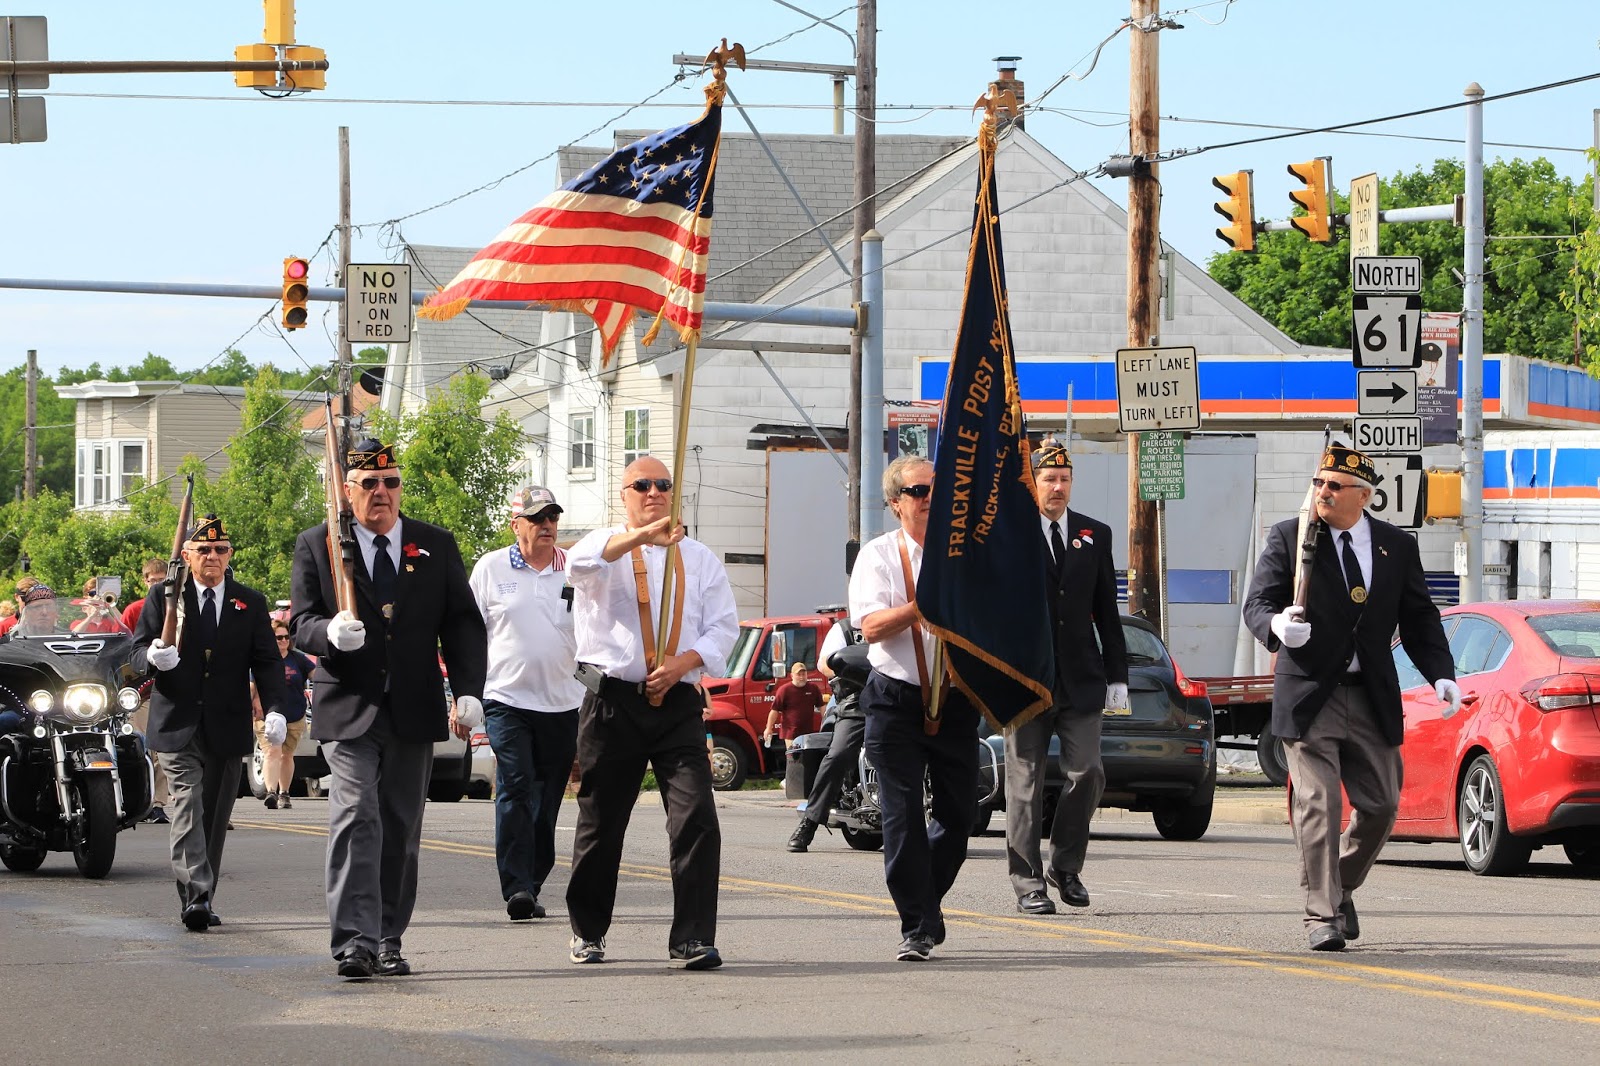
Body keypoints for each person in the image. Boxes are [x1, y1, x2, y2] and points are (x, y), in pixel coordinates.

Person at [1243, 442, 1459, 952]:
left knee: (1382, 806)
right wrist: (1275, 625)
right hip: (1310, 692)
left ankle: (1339, 886)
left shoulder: (1394, 546)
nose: (1322, 491)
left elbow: (1420, 617)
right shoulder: (1292, 537)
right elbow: (1257, 603)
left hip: (1370, 695)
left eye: (1334, 485)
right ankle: (1321, 914)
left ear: (1364, 496)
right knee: (1319, 804)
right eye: (1319, 482)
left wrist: (1441, 674)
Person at [291, 437, 487, 980]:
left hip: (414, 705)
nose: (382, 492)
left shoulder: (435, 544)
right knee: (358, 816)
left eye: (391, 482)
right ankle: (355, 939)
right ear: (347, 490)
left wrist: (470, 687)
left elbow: (463, 622)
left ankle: (388, 936)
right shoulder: (319, 543)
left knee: (401, 826)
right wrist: (329, 632)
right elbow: (301, 622)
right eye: (370, 484)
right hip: (350, 705)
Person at [564, 456, 738, 971]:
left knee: (696, 818)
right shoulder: (607, 546)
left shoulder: (700, 558)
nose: (654, 492)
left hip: (676, 704)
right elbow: (578, 565)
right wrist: (642, 539)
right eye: (642, 485)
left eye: (663, 485)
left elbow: (722, 628)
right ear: (625, 494)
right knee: (602, 822)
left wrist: (682, 662)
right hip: (613, 702)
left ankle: (692, 938)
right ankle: (588, 930)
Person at [131, 514, 290, 932]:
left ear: (230, 554)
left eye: (221, 550)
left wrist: (275, 707)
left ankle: (201, 894)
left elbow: (268, 662)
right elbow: (132, 656)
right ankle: (197, 893)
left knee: (214, 814)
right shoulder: (166, 597)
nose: (213, 557)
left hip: (227, 721)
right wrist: (151, 657)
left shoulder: (248, 601)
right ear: (186, 555)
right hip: (177, 721)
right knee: (186, 802)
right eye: (203, 550)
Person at [850, 455, 981, 962]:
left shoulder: (967, 554)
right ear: (895, 503)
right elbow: (873, 626)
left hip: (955, 701)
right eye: (919, 492)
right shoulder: (879, 556)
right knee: (901, 814)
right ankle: (917, 924)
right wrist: (924, 605)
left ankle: (927, 901)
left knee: (959, 814)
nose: (930, 499)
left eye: (936, 489)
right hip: (895, 700)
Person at [1006, 443, 1127, 915]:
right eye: (1049, 478)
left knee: (1089, 773)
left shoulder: (1095, 534)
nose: (1057, 487)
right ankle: (1027, 882)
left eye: (1065, 479)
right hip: (1026, 680)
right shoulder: (1011, 534)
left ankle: (1065, 865)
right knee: (1025, 781)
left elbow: (1107, 612)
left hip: (1081, 678)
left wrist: (1118, 673)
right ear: (1033, 482)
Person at [467, 485, 584, 923]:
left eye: (552, 518)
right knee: (515, 784)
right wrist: (467, 695)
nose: (547, 526)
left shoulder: (574, 570)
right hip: (506, 699)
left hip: (563, 703)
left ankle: (531, 884)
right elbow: (469, 634)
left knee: (546, 797)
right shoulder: (491, 568)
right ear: (516, 525)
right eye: (537, 519)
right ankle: (515, 885)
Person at [786, 617, 867, 853]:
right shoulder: (844, 629)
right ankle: (809, 822)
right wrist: (857, 671)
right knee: (839, 754)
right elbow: (825, 663)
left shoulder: (899, 624)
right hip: (856, 704)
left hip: (896, 701)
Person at [126, 559, 172, 822]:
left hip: (167, 687)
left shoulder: (176, 606)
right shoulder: (135, 610)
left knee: (163, 749)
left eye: (161, 579)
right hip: (140, 689)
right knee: (141, 745)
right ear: (144, 582)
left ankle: (158, 803)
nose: (156, 584)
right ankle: (139, 798)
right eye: (152, 580)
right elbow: (128, 649)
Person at [253, 619, 314, 810]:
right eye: (278, 637)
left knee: (287, 755)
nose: (283, 640)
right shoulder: (263, 660)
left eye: (286, 637)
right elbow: (252, 685)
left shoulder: (298, 659)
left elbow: (316, 677)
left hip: (294, 714)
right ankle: (271, 792)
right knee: (272, 751)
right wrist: (253, 704)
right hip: (268, 714)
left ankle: (284, 793)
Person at [762, 662, 825, 756]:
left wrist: (826, 721)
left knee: (807, 758)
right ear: (792, 675)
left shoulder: (813, 688)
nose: (802, 677)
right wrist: (768, 728)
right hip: (790, 733)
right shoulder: (784, 690)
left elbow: (821, 706)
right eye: (798, 674)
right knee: (794, 759)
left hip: (807, 732)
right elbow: (774, 710)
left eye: (804, 674)